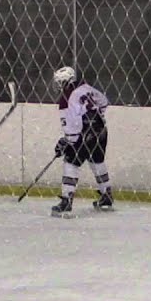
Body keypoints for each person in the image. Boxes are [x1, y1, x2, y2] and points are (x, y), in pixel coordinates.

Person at [50, 67, 113, 218]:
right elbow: (104, 101)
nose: (58, 86)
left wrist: (66, 142)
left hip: (84, 135)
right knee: (97, 161)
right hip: (101, 131)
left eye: (60, 82)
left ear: (66, 81)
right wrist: (96, 118)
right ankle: (107, 195)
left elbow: (72, 126)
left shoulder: (66, 98)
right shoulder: (86, 88)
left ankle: (67, 201)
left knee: (70, 163)